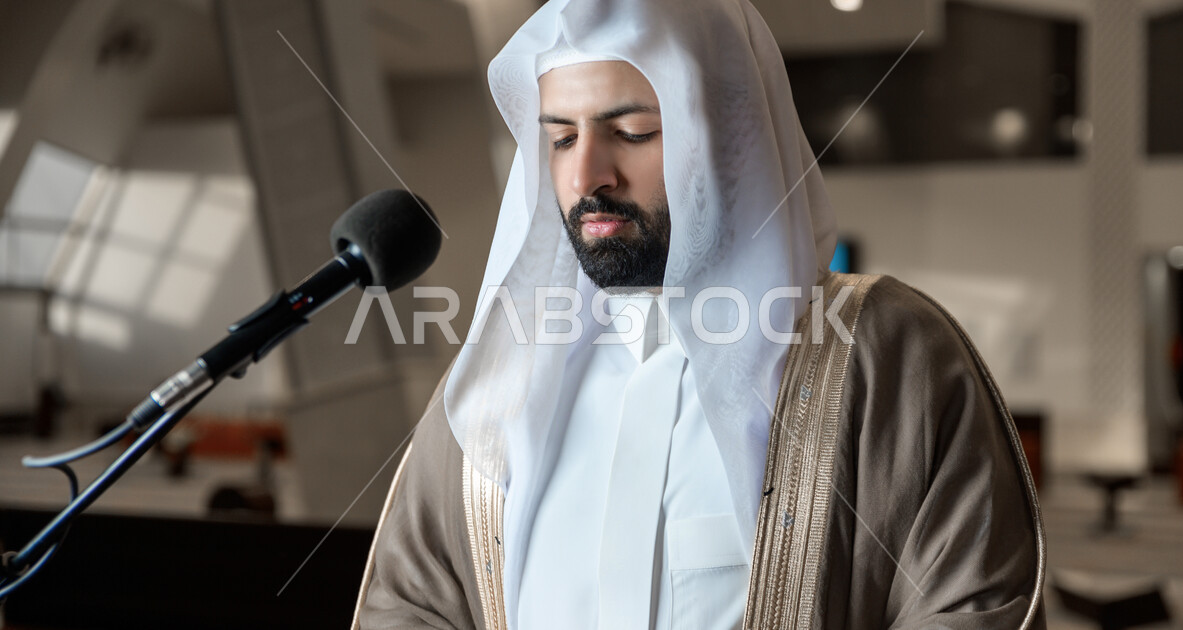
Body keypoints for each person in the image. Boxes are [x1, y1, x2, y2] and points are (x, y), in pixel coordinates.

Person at [352, 0, 1045, 628]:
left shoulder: (887, 354)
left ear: (729, 139)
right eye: (561, 139)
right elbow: (408, 606)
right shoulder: (497, 385)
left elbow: (973, 606)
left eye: (631, 131)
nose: (587, 174)